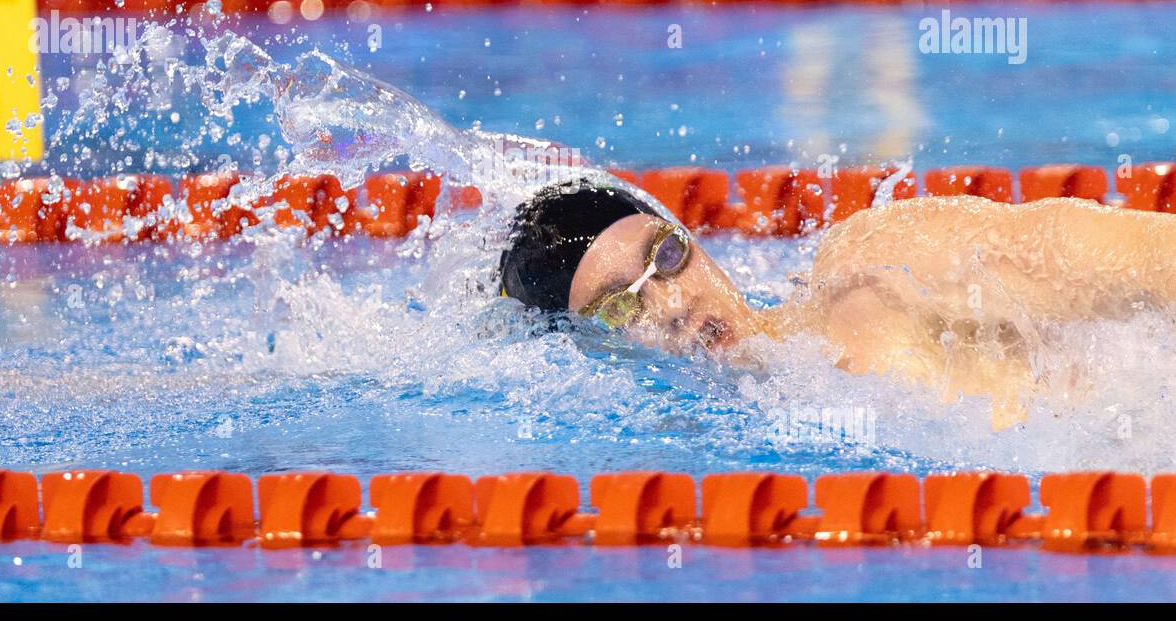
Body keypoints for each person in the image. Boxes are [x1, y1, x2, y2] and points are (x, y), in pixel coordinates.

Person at [499, 177, 1176, 427]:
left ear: (692, 238)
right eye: (622, 308)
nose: (672, 303)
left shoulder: (873, 270)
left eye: (667, 255)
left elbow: (1142, 256)